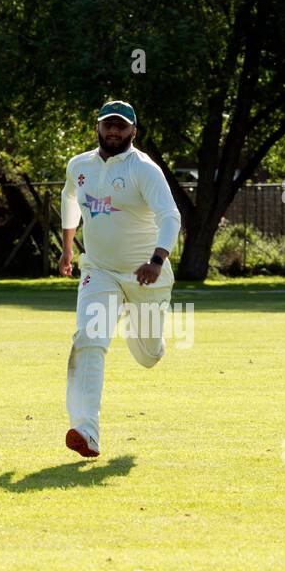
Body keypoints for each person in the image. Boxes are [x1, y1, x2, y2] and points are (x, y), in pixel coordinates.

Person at [59, 100, 182, 457]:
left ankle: (143, 332)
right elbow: (69, 198)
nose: (114, 131)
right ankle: (86, 431)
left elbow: (170, 216)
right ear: (96, 128)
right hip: (98, 271)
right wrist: (69, 247)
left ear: (133, 132)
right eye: (107, 125)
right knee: (89, 340)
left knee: (148, 355)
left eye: (121, 126)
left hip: (147, 275)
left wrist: (157, 260)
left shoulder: (144, 169)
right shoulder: (78, 165)